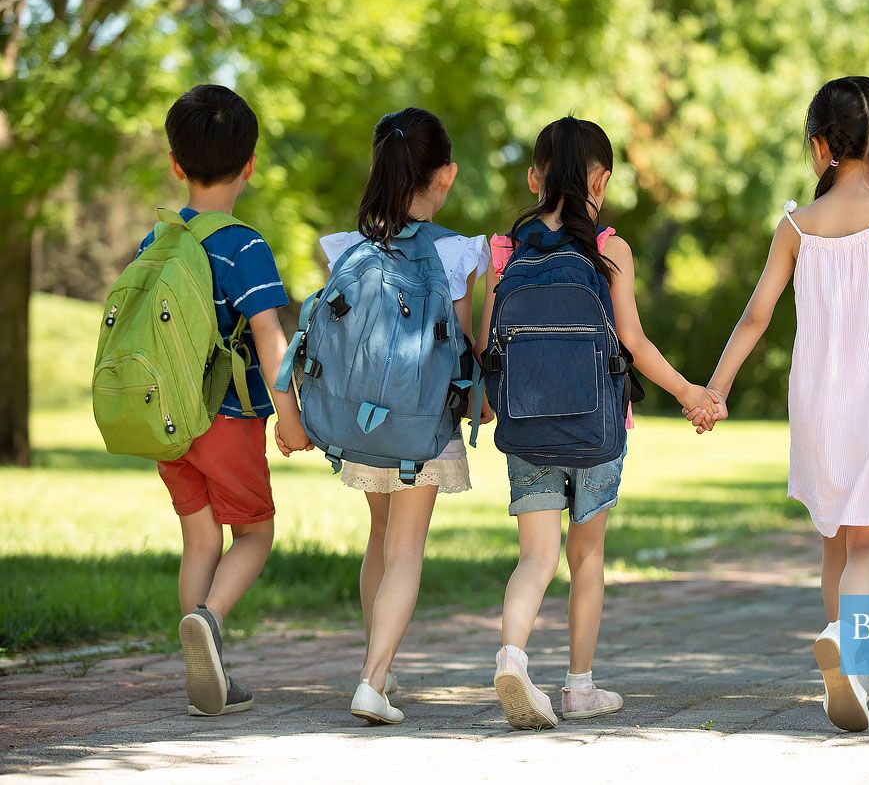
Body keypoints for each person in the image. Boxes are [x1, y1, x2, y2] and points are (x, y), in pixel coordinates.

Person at [700, 77, 869, 732]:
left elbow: (755, 316)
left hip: (814, 405)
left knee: (836, 540)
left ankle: (846, 653)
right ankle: (847, 645)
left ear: (819, 148)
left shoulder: (795, 227)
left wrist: (715, 389)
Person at [479, 116, 718, 729]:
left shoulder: (504, 250)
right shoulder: (610, 250)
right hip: (599, 426)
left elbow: (489, 347)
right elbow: (632, 343)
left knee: (535, 556)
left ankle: (511, 655)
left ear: (535, 177)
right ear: (599, 179)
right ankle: (579, 687)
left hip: (527, 424)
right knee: (586, 558)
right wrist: (692, 392)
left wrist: (484, 404)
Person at [284, 107, 492, 725]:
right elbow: (459, 346)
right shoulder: (457, 253)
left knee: (378, 537)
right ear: (446, 176)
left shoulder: (345, 247)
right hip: (422, 426)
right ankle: (373, 682)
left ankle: (376, 659)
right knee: (407, 549)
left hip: (358, 423)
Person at [135, 84, 311, 717]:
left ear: (177, 165)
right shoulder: (243, 245)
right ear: (251, 164)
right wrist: (287, 414)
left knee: (200, 540)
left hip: (166, 422)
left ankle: (201, 670)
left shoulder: (154, 243)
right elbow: (268, 335)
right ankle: (207, 621)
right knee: (256, 533)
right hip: (227, 421)